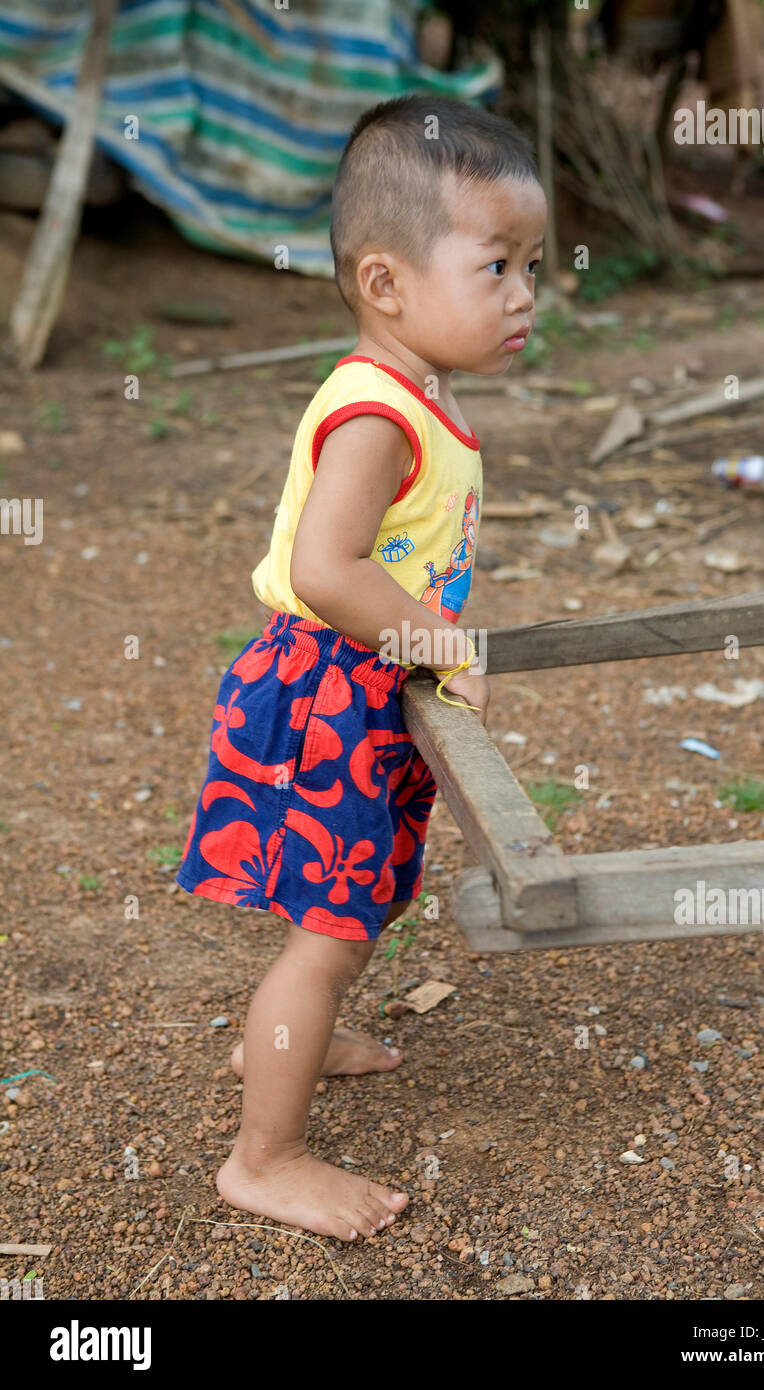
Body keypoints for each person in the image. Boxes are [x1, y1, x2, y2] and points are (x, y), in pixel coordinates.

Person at [176, 93, 546, 1242]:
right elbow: (326, 566)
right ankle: (265, 1156)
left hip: (356, 691)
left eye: (532, 265)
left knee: (352, 896)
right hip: (326, 692)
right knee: (327, 928)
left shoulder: (419, 394)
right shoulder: (376, 412)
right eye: (496, 266)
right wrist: (440, 643)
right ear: (385, 283)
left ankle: (289, 1036)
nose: (526, 292)